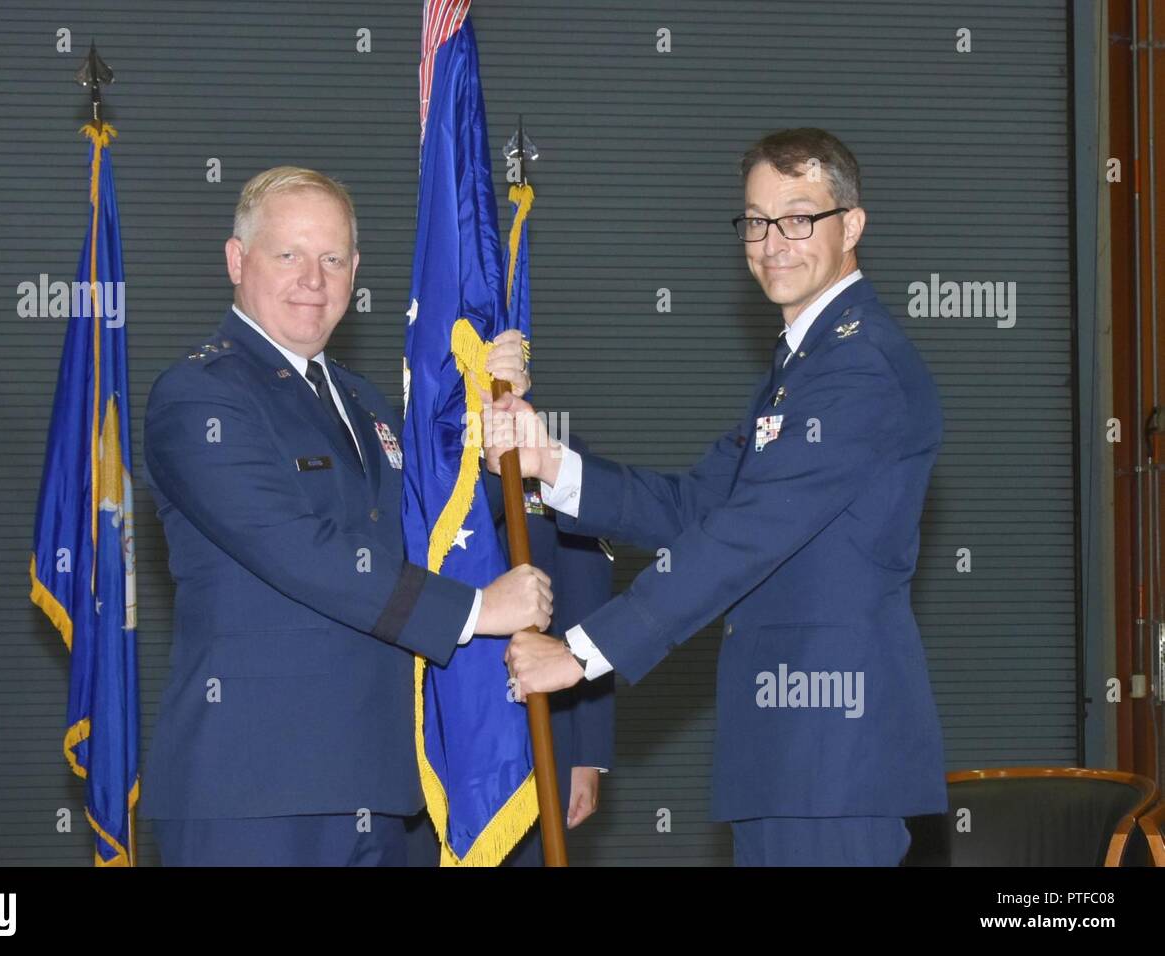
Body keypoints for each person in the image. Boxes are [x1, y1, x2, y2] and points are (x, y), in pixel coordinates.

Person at [491, 128, 947, 866]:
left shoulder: (857, 368)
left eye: (799, 218)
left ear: (852, 226)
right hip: (785, 756)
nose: (773, 242)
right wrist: (551, 464)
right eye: (757, 220)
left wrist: (581, 653)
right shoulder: (804, 362)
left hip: (832, 757)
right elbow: (696, 508)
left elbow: (744, 536)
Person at [143, 166, 548, 866]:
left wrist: (489, 450)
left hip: (385, 786)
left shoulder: (364, 404)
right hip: (257, 793)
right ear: (237, 260)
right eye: (288, 254)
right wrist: (475, 609)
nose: (313, 278)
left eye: (332, 259)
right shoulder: (198, 396)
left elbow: (424, 533)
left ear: (355, 271)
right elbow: (299, 550)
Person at [483, 436, 616, 867]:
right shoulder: (410, 443)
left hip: (532, 719)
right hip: (428, 730)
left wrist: (587, 754)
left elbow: (587, 606)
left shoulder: (550, 453)